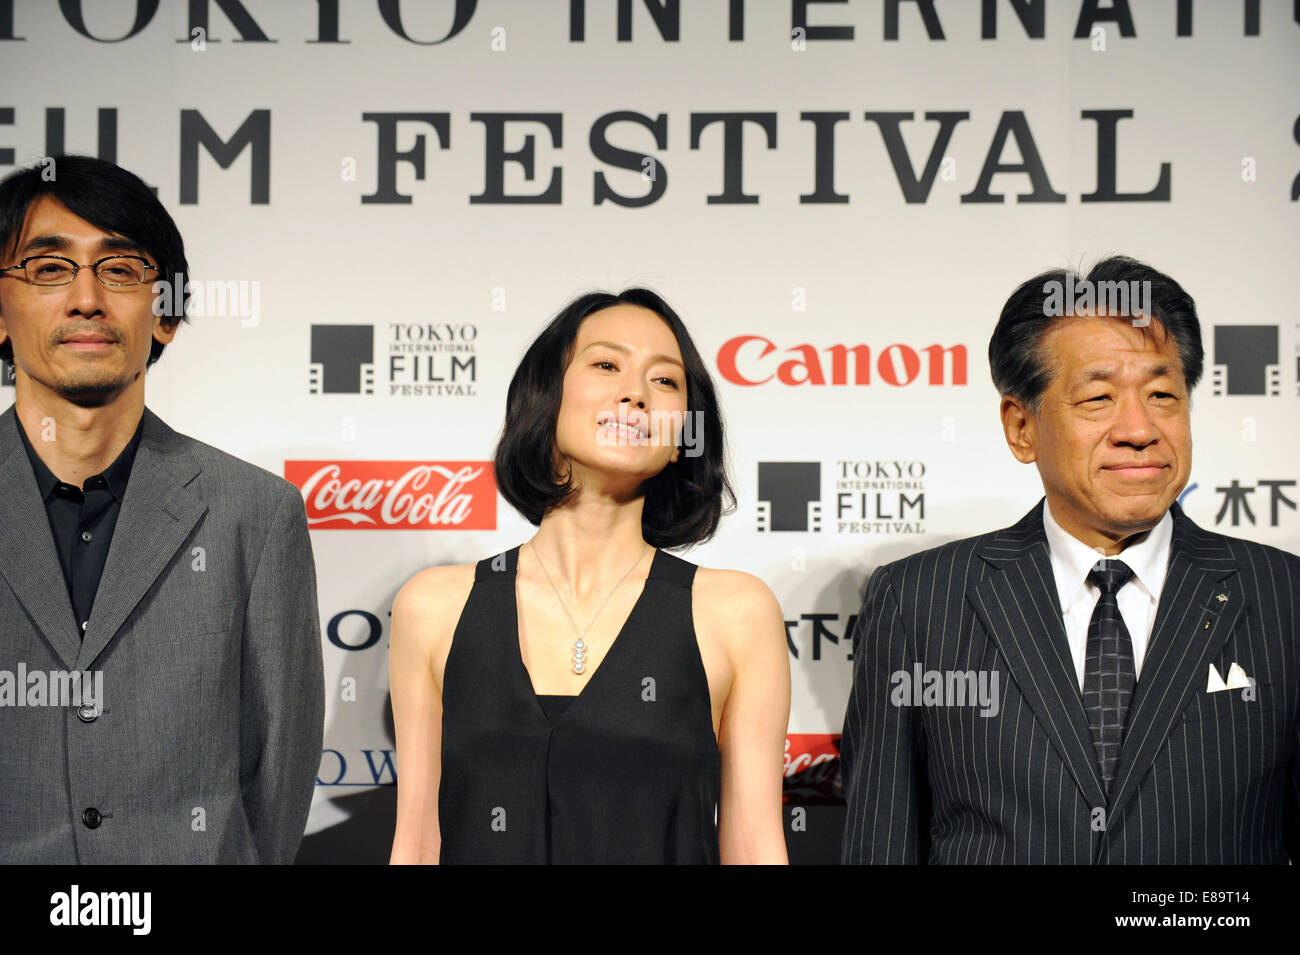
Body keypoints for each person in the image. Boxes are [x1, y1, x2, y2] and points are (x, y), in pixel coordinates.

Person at [840, 255, 1299, 864]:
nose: (1139, 428)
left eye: (1163, 394)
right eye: (1098, 398)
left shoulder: (1282, 596)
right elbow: (881, 842)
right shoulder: (922, 601)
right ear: (1021, 426)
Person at [389, 288, 790, 864]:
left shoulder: (734, 612)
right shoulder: (434, 607)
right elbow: (419, 843)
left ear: (684, 437)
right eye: (607, 365)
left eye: (666, 381)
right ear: (546, 398)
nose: (635, 393)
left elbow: (755, 849)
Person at [0, 155, 324, 863]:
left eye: (120, 270)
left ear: (167, 313)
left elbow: (279, 777)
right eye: (49, 269)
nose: (87, 298)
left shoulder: (255, 514)